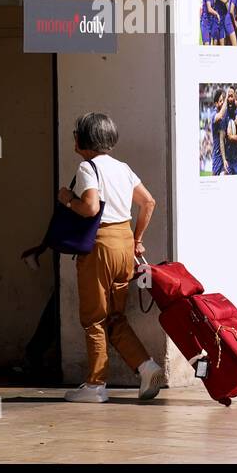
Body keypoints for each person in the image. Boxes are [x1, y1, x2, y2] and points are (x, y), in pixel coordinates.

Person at [59, 112, 166, 403]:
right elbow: (149, 202)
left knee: (94, 318)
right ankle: (147, 367)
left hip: (100, 245)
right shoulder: (122, 168)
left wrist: (68, 198)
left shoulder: (87, 168)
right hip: (125, 243)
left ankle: (95, 386)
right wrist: (138, 239)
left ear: (83, 139)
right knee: (115, 317)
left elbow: (91, 208)